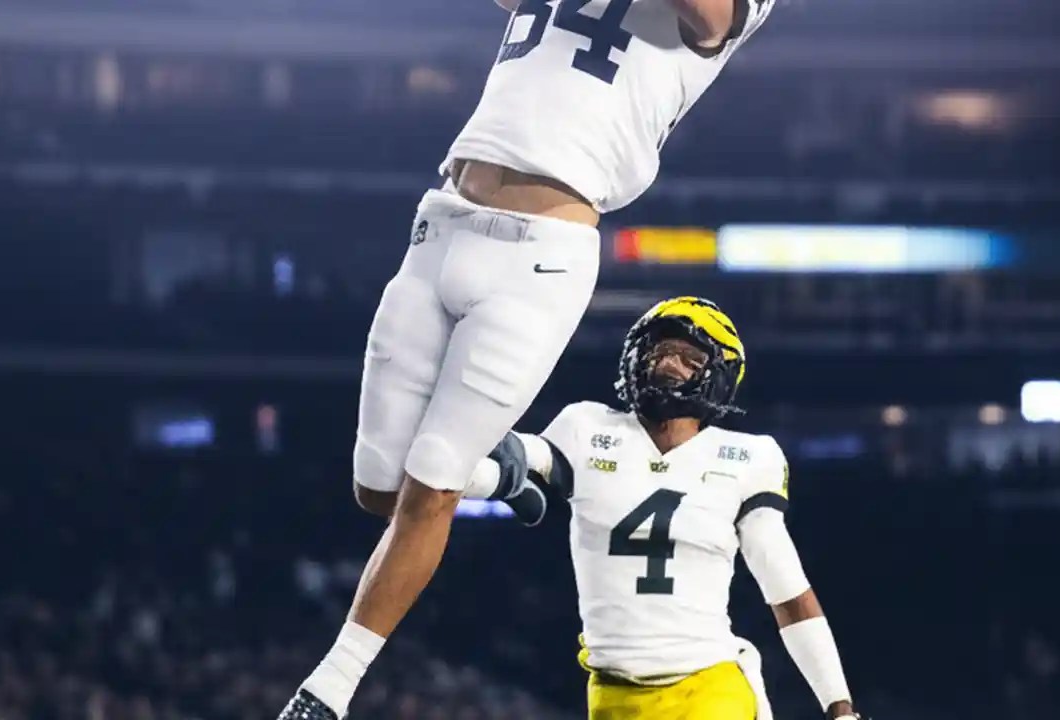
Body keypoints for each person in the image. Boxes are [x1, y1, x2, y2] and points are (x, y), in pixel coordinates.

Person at [279, 0, 780, 713]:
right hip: (441, 224)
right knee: (379, 490)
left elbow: (707, 18)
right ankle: (503, 477)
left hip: (540, 257)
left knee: (431, 488)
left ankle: (326, 691)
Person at [485, 296, 865, 719]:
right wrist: (480, 455)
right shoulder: (586, 428)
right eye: (661, 349)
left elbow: (787, 590)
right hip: (613, 694)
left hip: (708, 687)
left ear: (720, 375)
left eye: (690, 358)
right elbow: (516, 455)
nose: (669, 363)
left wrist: (840, 707)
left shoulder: (747, 457)